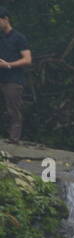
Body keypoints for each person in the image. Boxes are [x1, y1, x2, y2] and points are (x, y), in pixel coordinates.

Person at [0, 6, 32, 143]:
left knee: (13, 109)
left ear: (5, 19)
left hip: (13, 79)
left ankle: (14, 139)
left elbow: (27, 59)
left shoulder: (19, 37)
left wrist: (8, 64)